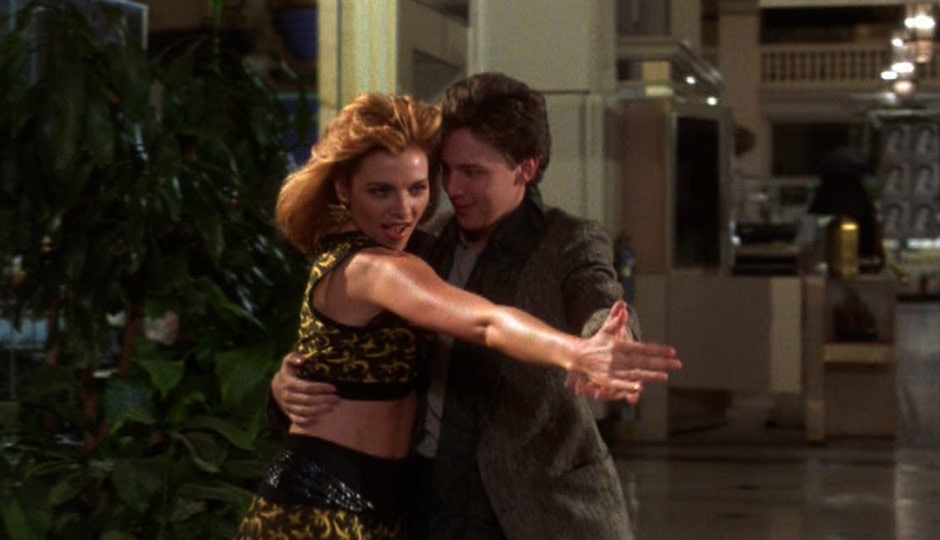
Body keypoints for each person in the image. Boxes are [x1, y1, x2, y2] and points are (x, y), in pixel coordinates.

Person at [237, 91, 680, 539]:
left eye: (417, 188)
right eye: (380, 191)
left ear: (525, 170)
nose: (404, 209)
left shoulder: (435, 245)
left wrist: (605, 340)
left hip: (423, 500)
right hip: (325, 496)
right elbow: (485, 322)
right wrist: (577, 354)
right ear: (341, 188)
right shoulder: (380, 266)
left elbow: (598, 296)